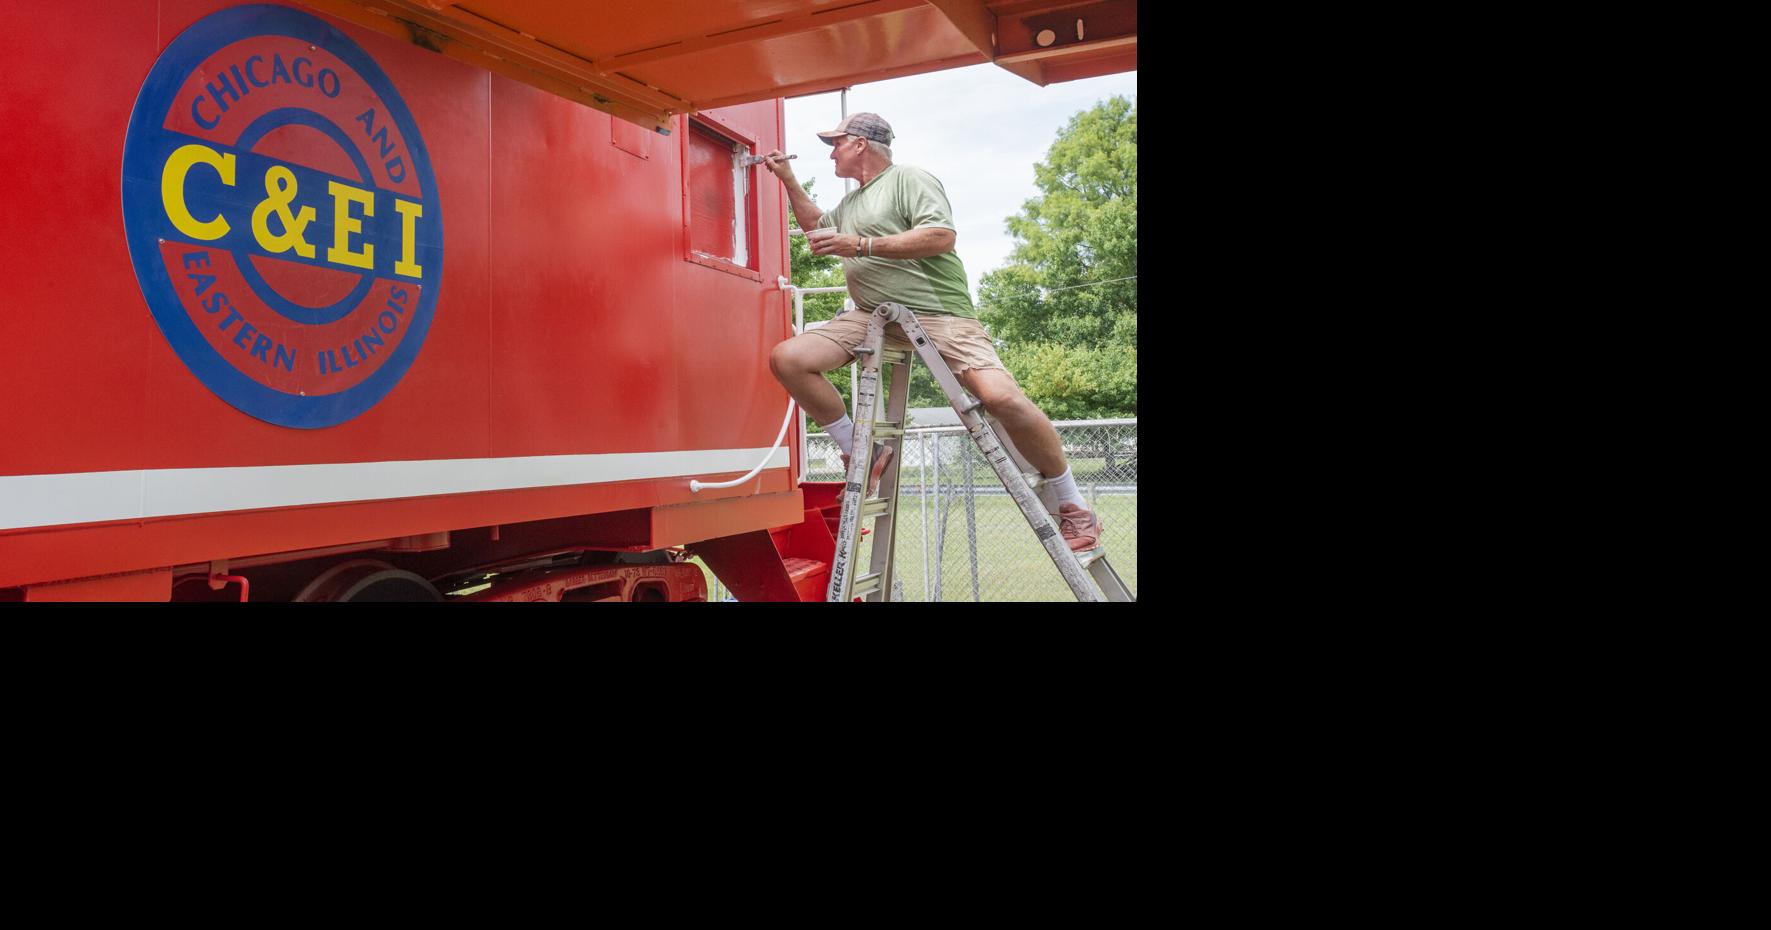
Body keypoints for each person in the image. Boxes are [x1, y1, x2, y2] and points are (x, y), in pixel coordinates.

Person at [761, 112, 1102, 552]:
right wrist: (788, 179)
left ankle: (1074, 505)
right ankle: (861, 453)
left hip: (940, 314)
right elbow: (817, 229)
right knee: (789, 359)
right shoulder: (850, 204)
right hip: (875, 315)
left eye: (836, 143)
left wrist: (861, 245)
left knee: (1000, 398)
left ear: (861, 144)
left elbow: (941, 236)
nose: (831, 152)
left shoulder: (909, 179)